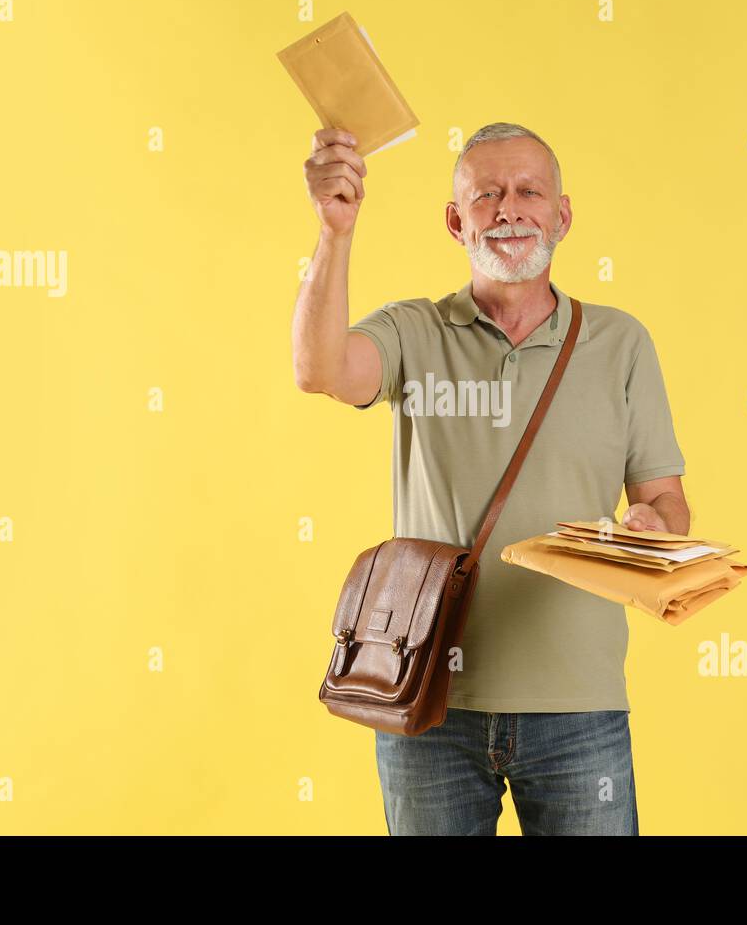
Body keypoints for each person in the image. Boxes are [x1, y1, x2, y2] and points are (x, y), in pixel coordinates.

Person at [292, 122, 690, 835]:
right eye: (487, 196)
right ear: (456, 221)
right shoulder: (412, 331)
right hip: (426, 701)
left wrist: (653, 530)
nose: (509, 209)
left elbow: (664, 500)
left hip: (580, 705)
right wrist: (334, 232)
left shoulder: (621, 342)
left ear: (562, 215)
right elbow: (317, 370)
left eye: (529, 191)